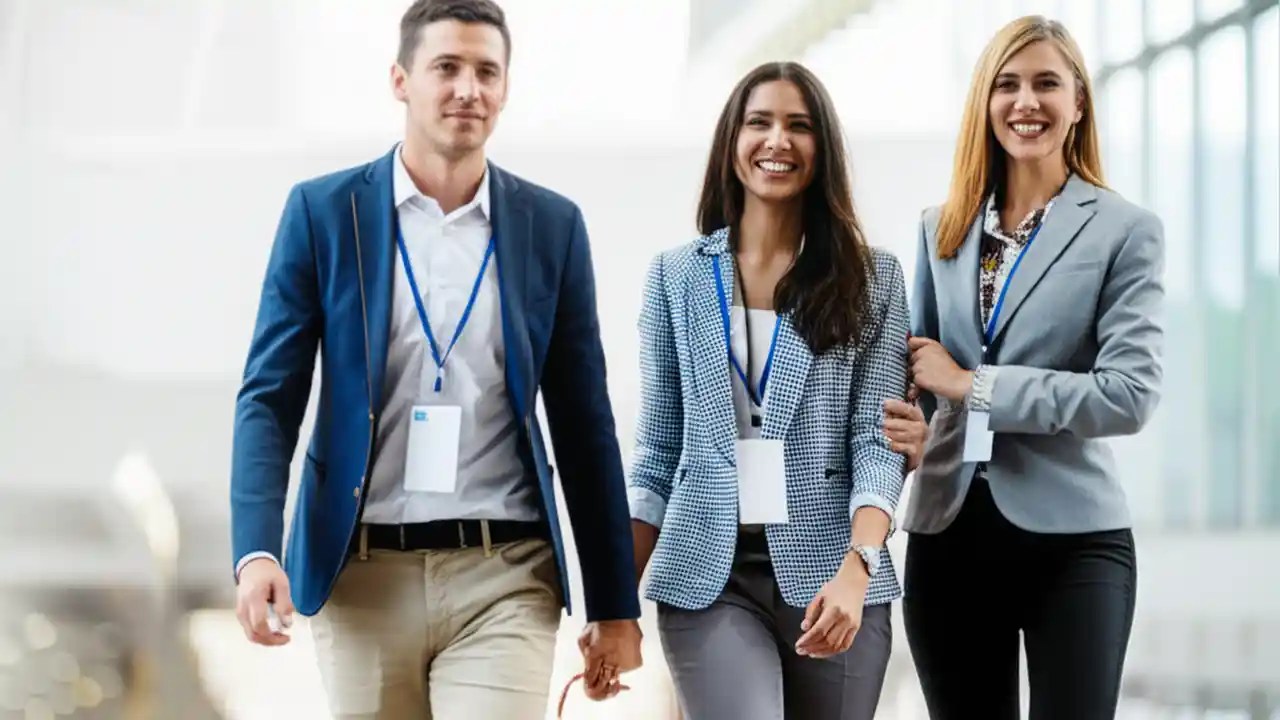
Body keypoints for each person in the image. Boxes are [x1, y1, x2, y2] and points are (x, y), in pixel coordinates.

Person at [228, 1, 642, 717]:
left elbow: (584, 424)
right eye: (446, 68)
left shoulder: (552, 227)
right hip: (361, 577)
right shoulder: (324, 215)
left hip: (505, 572)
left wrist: (614, 603)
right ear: (400, 81)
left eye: (487, 71)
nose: (467, 89)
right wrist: (257, 550)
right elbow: (270, 397)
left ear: (506, 88)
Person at [625, 61, 928, 720]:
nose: (777, 141)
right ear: (732, 142)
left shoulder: (871, 278)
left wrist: (859, 569)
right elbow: (656, 453)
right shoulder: (677, 276)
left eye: (799, 126)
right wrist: (613, 605)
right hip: (708, 576)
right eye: (759, 122)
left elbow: (876, 445)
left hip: (834, 572)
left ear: (824, 150)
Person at [901, 15, 1165, 720]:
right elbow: (918, 385)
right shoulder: (940, 228)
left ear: (1078, 102)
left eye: (1048, 83)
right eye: (1007, 85)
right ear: (985, 104)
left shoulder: (1125, 230)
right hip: (948, 535)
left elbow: (1128, 396)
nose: (1027, 102)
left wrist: (974, 386)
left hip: (1074, 546)